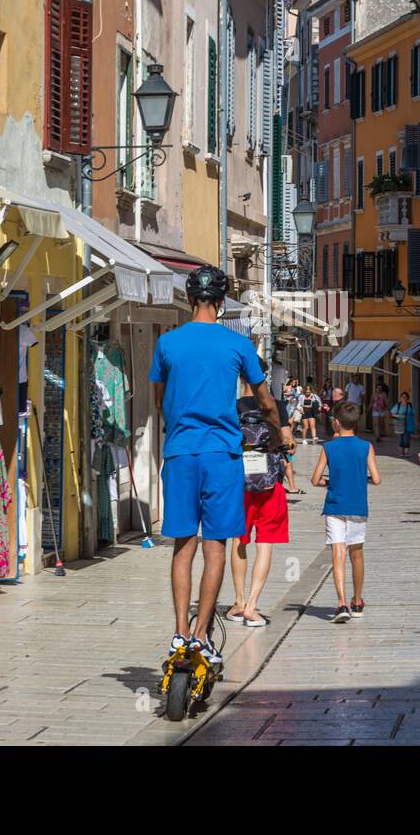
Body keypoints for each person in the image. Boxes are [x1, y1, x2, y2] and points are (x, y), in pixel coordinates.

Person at [150, 265, 282, 666]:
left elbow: (159, 400)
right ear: (222, 303)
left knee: (182, 545)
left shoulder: (167, 343)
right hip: (222, 455)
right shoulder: (238, 345)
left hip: (180, 453)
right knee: (216, 547)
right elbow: (265, 400)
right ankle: (203, 635)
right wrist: (278, 432)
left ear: (190, 299)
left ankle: (178, 634)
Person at [226, 359, 298, 628]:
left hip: (239, 484)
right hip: (270, 485)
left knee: (239, 540)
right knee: (265, 542)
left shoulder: (232, 408)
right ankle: (253, 606)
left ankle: (239, 601)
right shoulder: (276, 407)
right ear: (263, 376)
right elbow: (290, 446)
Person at [310, 402, 381, 623]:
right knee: (356, 553)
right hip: (358, 505)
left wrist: (328, 484)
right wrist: (362, 479)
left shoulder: (329, 447)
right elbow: (377, 479)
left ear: (336, 423)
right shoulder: (366, 446)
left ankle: (341, 603)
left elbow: (315, 479)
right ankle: (357, 600)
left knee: (338, 553)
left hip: (334, 505)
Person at [391, 391, 417, 458]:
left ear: (408, 398)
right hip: (400, 424)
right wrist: (400, 416)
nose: (404, 398)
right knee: (401, 438)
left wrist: (416, 422)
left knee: (407, 438)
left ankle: (406, 452)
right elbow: (393, 414)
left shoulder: (410, 405)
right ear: (401, 398)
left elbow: (414, 414)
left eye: (405, 397)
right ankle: (402, 452)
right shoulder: (398, 405)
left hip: (408, 424)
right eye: (403, 397)